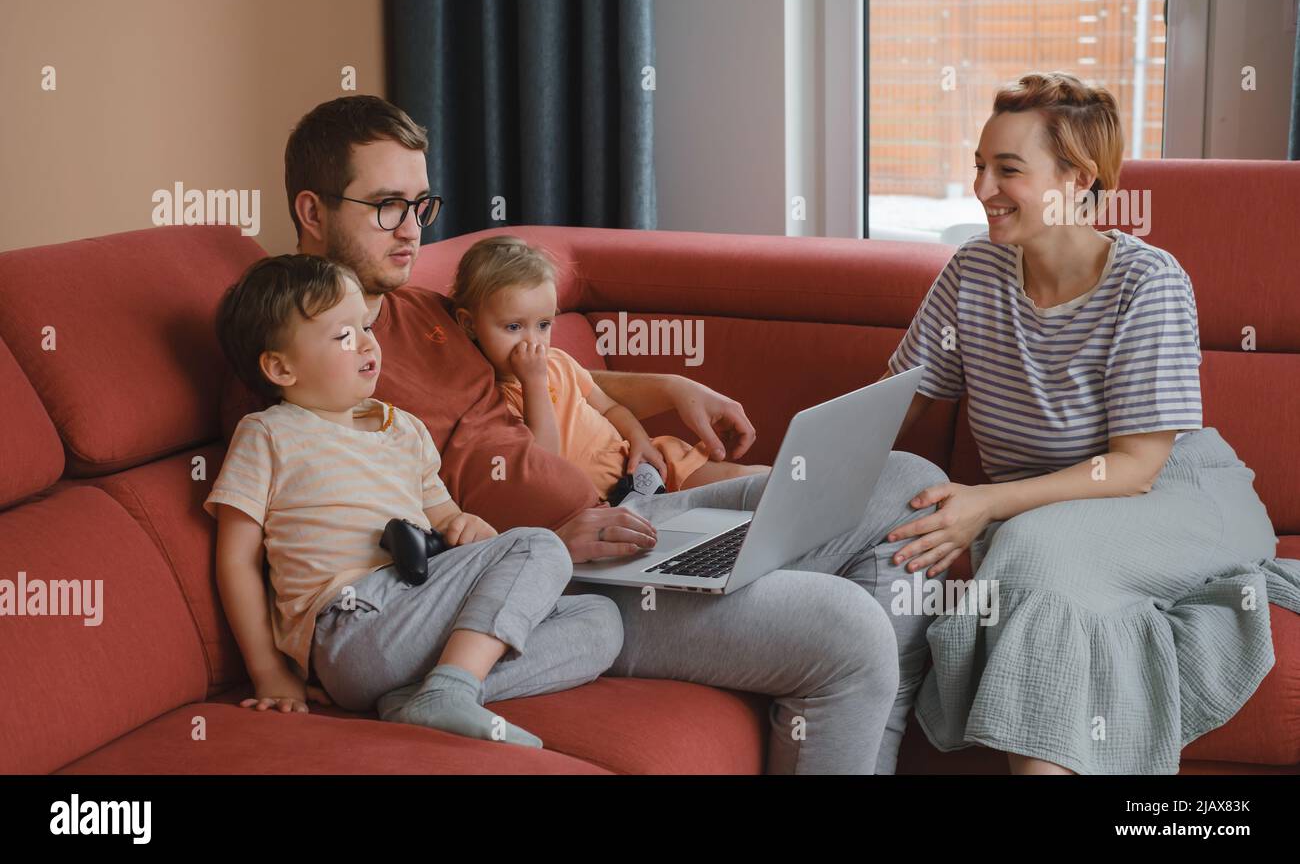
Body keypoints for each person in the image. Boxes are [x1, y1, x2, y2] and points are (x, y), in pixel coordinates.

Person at [220, 94, 948, 774]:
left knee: (908, 483)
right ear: (311, 211)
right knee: (849, 629)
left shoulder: (430, 312)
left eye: (420, 203)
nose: (414, 229)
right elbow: (342, 531)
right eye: (385, 206)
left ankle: (854, 732)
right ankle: (826, 673)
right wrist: (540, 549)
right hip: (548, 579)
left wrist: (664, 388)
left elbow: (543, 362)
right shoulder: (302, 375)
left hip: (625, 522)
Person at [880, 70, 1300, 774]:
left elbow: (1136, 466)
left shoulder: (1148, 281)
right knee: (1033, 554)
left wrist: (987, 504)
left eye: (1007, 170)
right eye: (979, 167)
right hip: (1053, 509)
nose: (982, 189)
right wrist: (809, 469)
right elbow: (902, 402)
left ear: (1078, 178)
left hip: (1175, 492)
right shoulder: (972, 275)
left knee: (1030, 555)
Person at [205, 253, 623, 748]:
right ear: (280, 367)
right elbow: (235, 559)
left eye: (367, 326)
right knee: (539, 546)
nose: (366, 343)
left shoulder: (403, 427)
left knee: (600, 622)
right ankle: (449, 689)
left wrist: (467, 526)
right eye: (343, 335)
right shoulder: (267, 433)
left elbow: (445, 516)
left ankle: (427, 697)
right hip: (349, 623)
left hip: (414, 618)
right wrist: (268, 669)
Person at [448, 234, 771, 499]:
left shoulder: (560, 362)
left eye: (543, 324)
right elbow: (543, 461)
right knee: (727, 510)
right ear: (470, 324)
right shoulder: (492, 400)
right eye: (514, 327)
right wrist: (533, 384)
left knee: (756, 483)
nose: (533, 343)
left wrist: (640, 439)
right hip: (612, 503)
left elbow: (611, 408)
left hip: (646, 468)